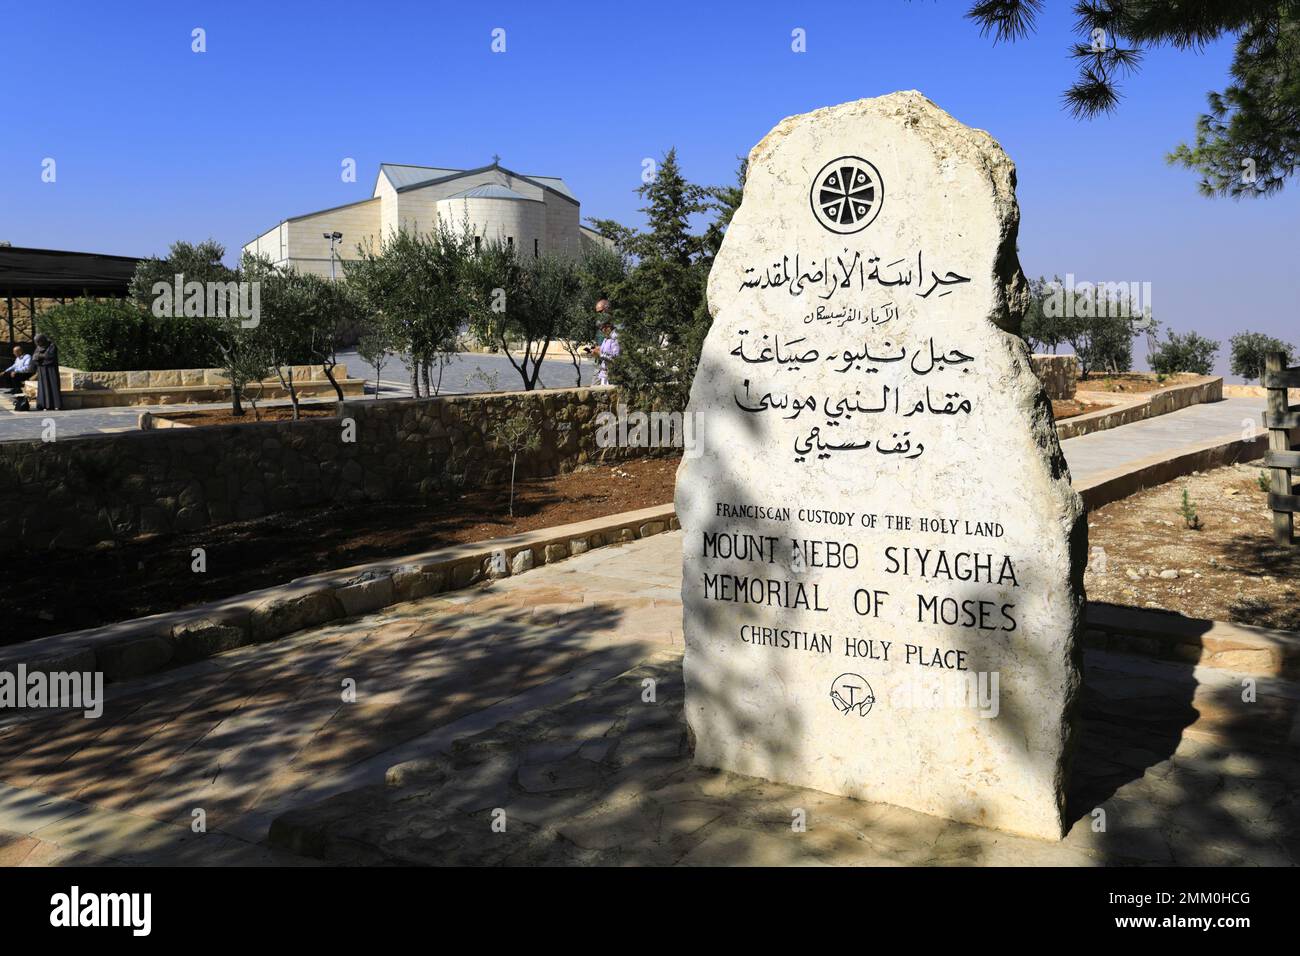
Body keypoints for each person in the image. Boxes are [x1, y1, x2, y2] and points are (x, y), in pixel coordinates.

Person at [32, 333, 63, 411]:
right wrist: (40, 357)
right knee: (43, 387)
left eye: (39, 342)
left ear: (43, 340)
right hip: (42, 370)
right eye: (37, 342)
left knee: (53, 386)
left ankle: (56, 404)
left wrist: (40, 357)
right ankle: (43, 405)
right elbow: (34, 357)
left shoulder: (51, 346)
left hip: (51, 370)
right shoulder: (38, 347)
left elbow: (50, 357)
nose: (38, 344)